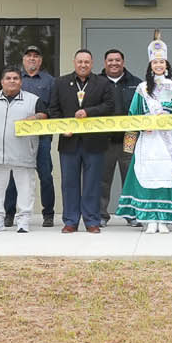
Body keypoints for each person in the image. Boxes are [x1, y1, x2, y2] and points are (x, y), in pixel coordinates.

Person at [116, 33, 172, 233]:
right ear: (150, 66)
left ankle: (164, 219)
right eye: (155, 62)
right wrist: (140, 128)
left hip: (166, 139)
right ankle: (148, 219)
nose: (158, 65)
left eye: (161, 62)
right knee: (146, 174)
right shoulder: (142, 89)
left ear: (166, 65)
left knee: (165, 175)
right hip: (148, 138)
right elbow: (133, 114)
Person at [48, 49, 116, 233]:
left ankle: (92, 221)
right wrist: (63, 129)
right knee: (69, 183)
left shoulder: (102, 83)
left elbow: (109, 106)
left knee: (92, 183)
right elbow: (53, 109)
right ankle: (70, 221)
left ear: (92, 64)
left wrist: (89, 112)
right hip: (69, 142)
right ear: (74, 62)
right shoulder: (60, 83)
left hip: (95, 143)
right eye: (80, 62)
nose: (83, 65)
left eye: (87, 62)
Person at [0, 67, 48, 233]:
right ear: (2, 81)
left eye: (15, 78)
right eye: (8, 78)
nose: (12, 81)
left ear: (21, 81)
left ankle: (24, 222)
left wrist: (33, 117)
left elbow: (44, 115)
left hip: (23, 152)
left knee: (26, 189)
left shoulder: (33, 100)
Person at [5, 46, 57, 227]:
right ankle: (9, 213)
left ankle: (48, 214)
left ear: (41, 61)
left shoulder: (50, 81)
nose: (32, 59)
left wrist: (39, 117)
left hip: (42, 137)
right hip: (18, 138)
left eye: (36, 56)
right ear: (23, 60)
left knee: (46, 176)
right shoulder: (16, 79)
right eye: (29, 56)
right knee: (13, 176)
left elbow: (54, 108)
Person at [96, 49, 143, 226]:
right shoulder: (96, 82)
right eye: (110, 60)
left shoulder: (137, 83)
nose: (114, 63)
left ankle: (133, 215)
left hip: (129, 138)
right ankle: (101, 215)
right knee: (102, 179)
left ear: (123, 62)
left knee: (131, 178)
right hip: (104, 139)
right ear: (104, 62)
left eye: (117, 60)